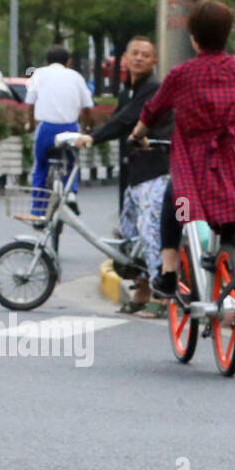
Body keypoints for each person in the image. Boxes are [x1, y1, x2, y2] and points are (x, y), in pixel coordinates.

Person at [129, 0, 235, 322]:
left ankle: (167, 272)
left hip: (193, 159)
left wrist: (137, 134)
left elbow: (154, 110)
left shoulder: (183, 73)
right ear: (226, 35)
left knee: (174, 203)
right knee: (231, 223)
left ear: (193, 37)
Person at [74, 36, 173, 310]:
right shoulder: (128, 90)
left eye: (145, 54)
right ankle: (141, 290)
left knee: (151, 232)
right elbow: (121, 117)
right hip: (135, 171)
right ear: (125, 59)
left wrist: (93, 137)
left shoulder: (152, 88)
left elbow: (126, 120)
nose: (139, 58)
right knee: (131, 235)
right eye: (135, 54)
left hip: (154, 169)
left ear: (154, 61)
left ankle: (159, 296)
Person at [24, 46, 94, 211]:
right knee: (72, 162)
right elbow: (87, 108)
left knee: (41, 167)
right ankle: (71, 193)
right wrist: (85, 129)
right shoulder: (76, 76)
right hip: (70, 129)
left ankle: (38, 211)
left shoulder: (38, 74)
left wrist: (31, 124)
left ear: (46, 62)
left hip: (46, 129)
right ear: (68, 63)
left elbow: (30, 104)